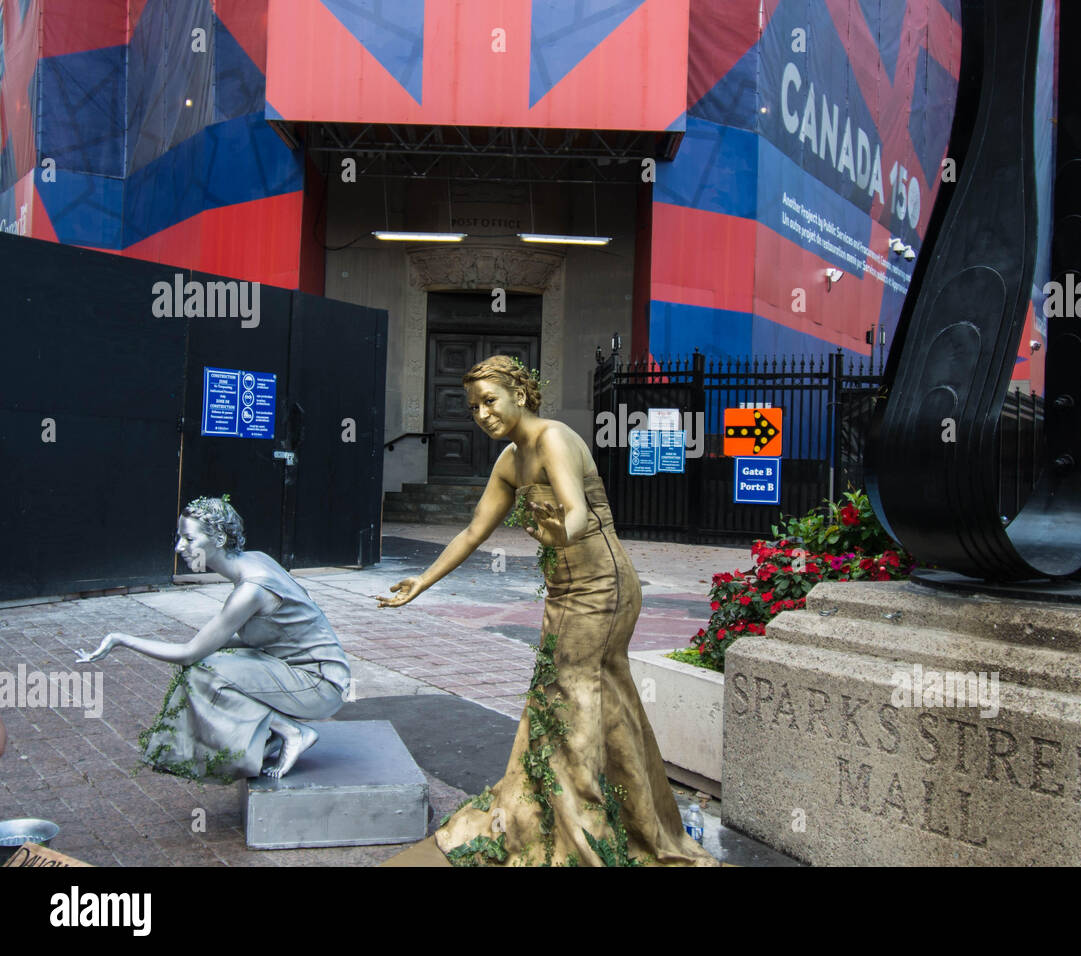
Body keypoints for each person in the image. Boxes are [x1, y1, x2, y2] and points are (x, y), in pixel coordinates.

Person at [379, 355, 717, 866]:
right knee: (581, 698)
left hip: (603, 586)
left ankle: (582, 837)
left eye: (490, 401)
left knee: (575, 699)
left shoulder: (554, 438)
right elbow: (475, 530)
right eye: (473, 408)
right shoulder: (509, 462)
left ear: (520, 393)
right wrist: (422, 581)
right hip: (563, 590)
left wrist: (565, 530)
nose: (482, 415)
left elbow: (575, 507)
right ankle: (616, 823)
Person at [77, 497, 351, 781]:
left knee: (205, 670)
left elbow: (188, 654)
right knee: (214, 661)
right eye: (179, 537)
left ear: (218, 538)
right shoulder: (257, 559)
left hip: (321, 685)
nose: (179, 547)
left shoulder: (251, 591)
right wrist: (210, 647)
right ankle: (270, 733)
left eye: (188, 539)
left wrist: (122, 640)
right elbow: (280, 629)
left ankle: (293, 732)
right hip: (304, 669)